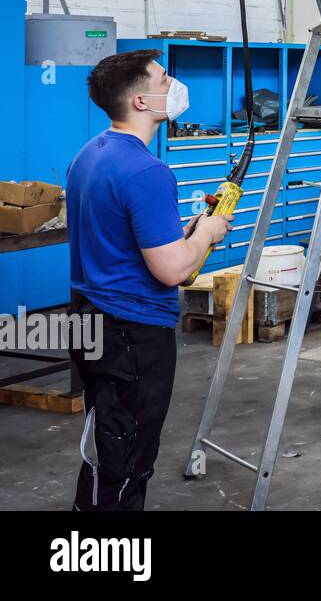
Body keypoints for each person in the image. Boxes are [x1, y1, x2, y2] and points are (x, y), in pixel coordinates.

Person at [65, 49, 232, 510]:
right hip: (130, 331)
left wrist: (183, 234)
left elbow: (122, 237)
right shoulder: (148, 171)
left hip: (86, 317)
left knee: (104, 442)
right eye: (162, 80)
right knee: (128, 455)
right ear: (140, 101)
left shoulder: (90, 155)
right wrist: (209, 234)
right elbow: (174, 270)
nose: (172, 86)